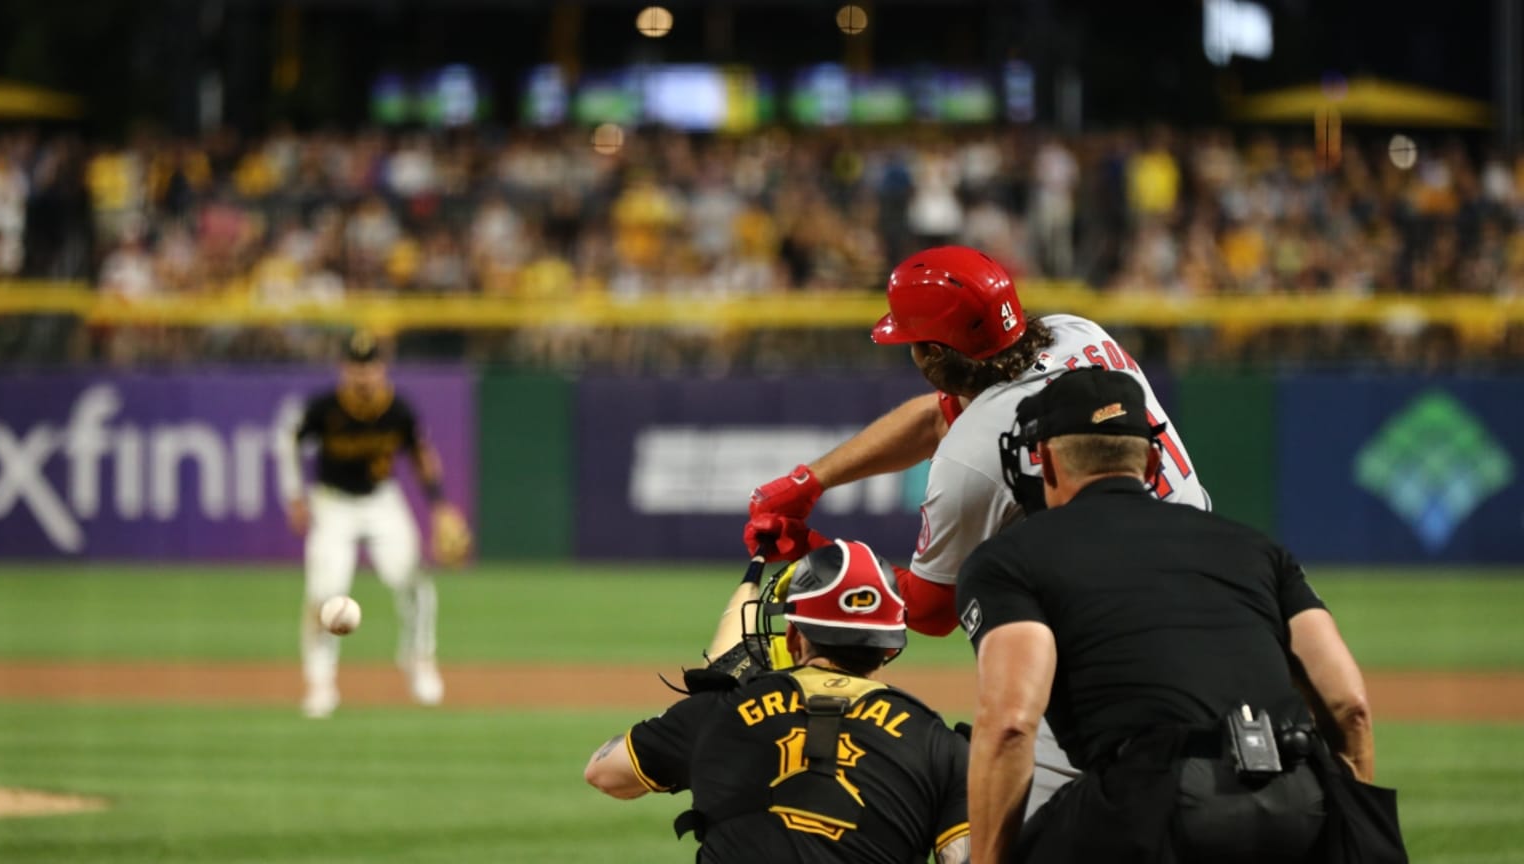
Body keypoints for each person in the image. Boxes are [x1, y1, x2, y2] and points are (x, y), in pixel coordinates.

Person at [745, 245, 1207, 813]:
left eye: (912, 342)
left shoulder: (972, 455)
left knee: (1017, 818)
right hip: (1214, 603)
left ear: (934, 353)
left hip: (1114, 664)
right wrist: (811, 480)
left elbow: (931, 612)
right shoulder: (1077, 333)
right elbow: (944, 414)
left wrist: (817, 554)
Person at [956, 368, 1402, 864]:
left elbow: (1012, 724)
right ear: (1151, 462)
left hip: (1158, 797)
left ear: (1049, 463)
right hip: (1300, 795)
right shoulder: (1256, 548)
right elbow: (1349, 705)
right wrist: (1353, 828)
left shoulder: (1010, 558)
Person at [584, 540, 971, 864]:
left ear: (793, 638)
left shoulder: (720, 710)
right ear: (889, 646)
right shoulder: (943, 747)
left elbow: (604, 772)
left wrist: (707, 706)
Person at [275, 332, 470, 718]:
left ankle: (418, 662)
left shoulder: (397, 409)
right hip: (332, 505)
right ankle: (320, 682)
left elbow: (421, 455)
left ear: (382, 368)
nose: (364, 375)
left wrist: (439, 506)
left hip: (382, 502)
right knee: (323, 593)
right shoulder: (325, 408)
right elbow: (289, 441)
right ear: (344, 369)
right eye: (356, 366)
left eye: (370, 366)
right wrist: (294, 495)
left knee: (415, 581)